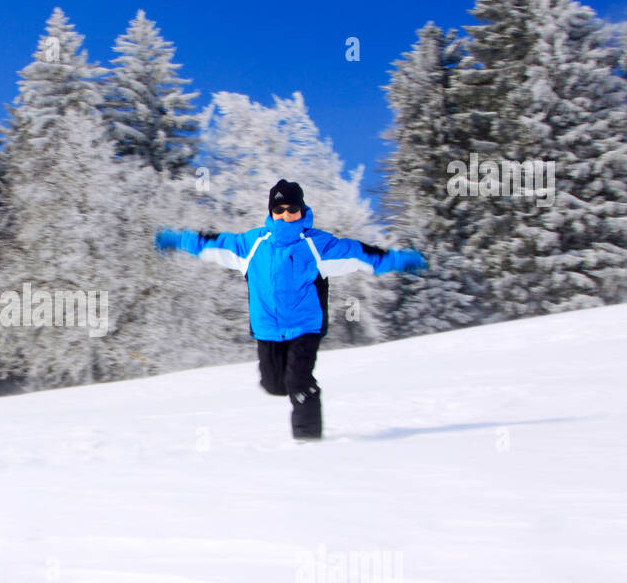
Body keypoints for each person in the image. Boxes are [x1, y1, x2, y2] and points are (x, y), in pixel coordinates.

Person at [154, 179, 427, 440]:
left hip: (304, 326)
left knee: (298, 381)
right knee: (274, 385)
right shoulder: (252, 244)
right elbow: (212, 243)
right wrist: (179, 240)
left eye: (292, 209)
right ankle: (298, 397)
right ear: (271, 212)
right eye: (279, 209)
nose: (286, 215)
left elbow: (359, 253)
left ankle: (308, 444)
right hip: (267, 329)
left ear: (302, 210)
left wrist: (397, 260)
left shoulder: (317, 244)